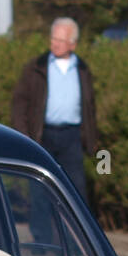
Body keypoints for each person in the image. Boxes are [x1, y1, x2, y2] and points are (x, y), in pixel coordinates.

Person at [10, 17, 97, 203]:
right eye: (53, 38)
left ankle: (76, 231)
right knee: (40, 187)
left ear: (72, 44)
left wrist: (91, 140)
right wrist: (24, 136)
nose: (55, 43)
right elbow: (19, 103)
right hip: (43, 135)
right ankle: (42, 232)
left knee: (76, 188)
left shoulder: (82, 69)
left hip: (72, 136)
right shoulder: (36, 67)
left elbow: (90, 106)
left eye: (60, 40)